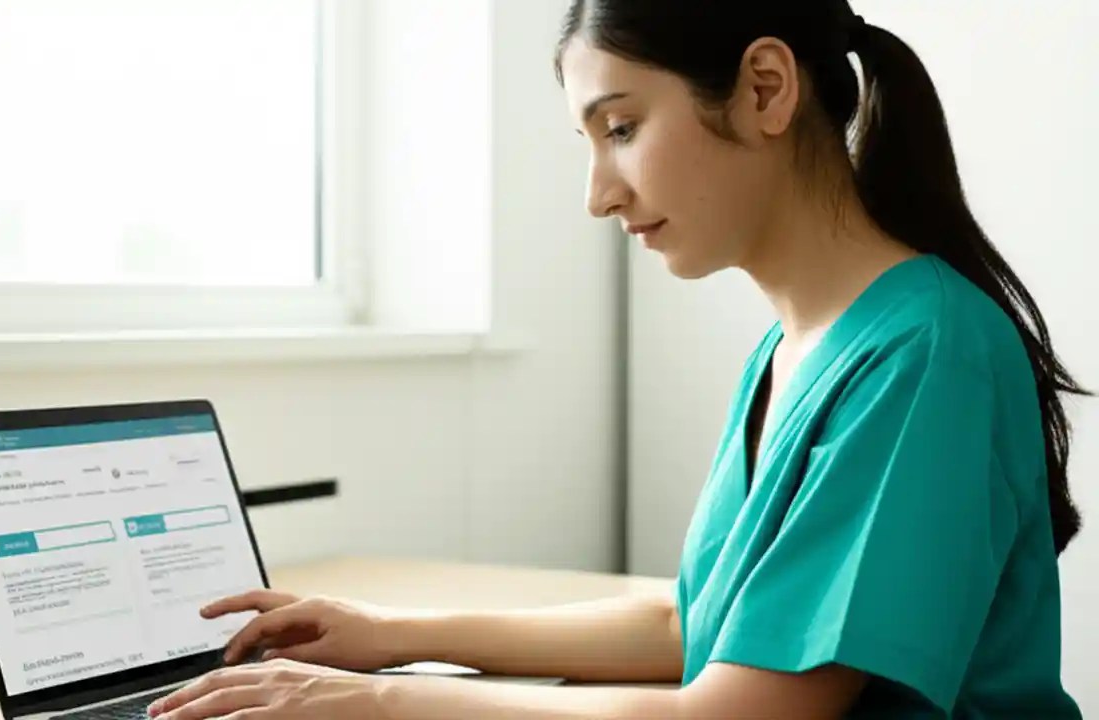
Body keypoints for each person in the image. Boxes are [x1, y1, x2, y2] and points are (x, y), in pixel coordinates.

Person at [146, 1, 1087, 718]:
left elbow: (734, 713)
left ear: (766, 89)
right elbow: (693, 627)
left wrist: (375, 702)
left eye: (622, 129)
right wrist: (389, 639)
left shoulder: (923, 353)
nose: (599, 195)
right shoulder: (791, 350)